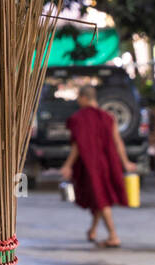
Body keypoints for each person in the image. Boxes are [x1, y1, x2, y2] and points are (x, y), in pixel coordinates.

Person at [58, 86, 137, 248]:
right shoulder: (108, 117)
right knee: (99, 196)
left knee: (101, 199)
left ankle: (113, 236)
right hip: (108, 163)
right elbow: (118, 142)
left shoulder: (79, 118)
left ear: (84, 98)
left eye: (79, 98)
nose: (78, 102)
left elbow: (78, 146)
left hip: (91, 164)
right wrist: (126, 162)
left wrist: (68, 165)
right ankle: (92, 230)